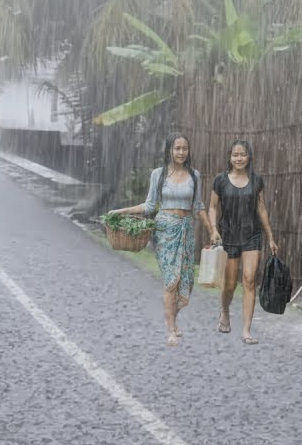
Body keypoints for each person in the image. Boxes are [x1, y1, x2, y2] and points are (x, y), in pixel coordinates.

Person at [107, 133, 210, 346]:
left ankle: (171, 312)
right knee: (171, 281)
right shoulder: (159, 175)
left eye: (184, 148)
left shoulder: (195, 175)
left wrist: (212, 229)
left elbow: (198, 206)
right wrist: (121, 211)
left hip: (186, 231)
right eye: (177, 148)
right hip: (165, 230)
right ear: (169, 150)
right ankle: (171, 329)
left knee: (187, 283)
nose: (181, 152)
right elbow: (150, 205)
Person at [208, 139, 278, 345]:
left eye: (243, 155)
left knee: (249, 279)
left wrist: (271, 237)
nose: (239, 158)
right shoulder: (220, 180)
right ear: (230, 157)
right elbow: (212, 207)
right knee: (229, 285)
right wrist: (213, 228)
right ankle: (225, 311)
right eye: (235, 155)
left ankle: (247, 329)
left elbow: (262, 209)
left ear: (249, 157)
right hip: (228, 235)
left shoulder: (256, 181)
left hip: (252, 235)